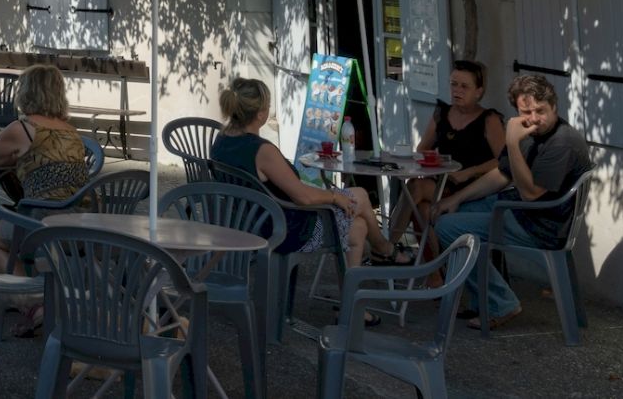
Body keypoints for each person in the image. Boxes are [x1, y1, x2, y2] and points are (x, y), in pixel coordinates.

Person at [432, 73, 593, 329]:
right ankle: (483, 299)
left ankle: (500, 303)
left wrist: (512, 143)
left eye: (541, 111)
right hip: (522, 210)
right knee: (453, 211)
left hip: (541, 225)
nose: (534, 119)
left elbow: (530, 194)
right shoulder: (528, 133)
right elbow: (502, 174)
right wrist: (455, 198)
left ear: (554, 106)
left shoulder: (562, 142)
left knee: (448, 228)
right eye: (526, 112)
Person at [212, 77, 405, 285]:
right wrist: (334, 196)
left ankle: (353, 295)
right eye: (268, 105)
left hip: (246, 221)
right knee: (360, 196)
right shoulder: (262, 151)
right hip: (283, 228)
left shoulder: (221, 141)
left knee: (358, 228)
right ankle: (383, 249)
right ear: (260, 114)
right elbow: (303, 197)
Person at [0, 64, 91, 274]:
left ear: (26, 92)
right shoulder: (72, 131)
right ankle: (40, 283)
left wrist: (14, 159)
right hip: (84, 220)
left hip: (46, 221)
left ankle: (27, 292)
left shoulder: (23, 128)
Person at [388, 60, 506, 249]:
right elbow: (422, 149)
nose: (457, 91)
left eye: (464, 86)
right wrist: (435, 161)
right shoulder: (442, 113)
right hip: (444, 182)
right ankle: (403, 254)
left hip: (473, 187)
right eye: (453, 84)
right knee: (419, 199)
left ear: (479, 92)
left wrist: (470, 172)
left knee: (419, 198)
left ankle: (388, 248)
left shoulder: (489, 119)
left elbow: (504, 161)